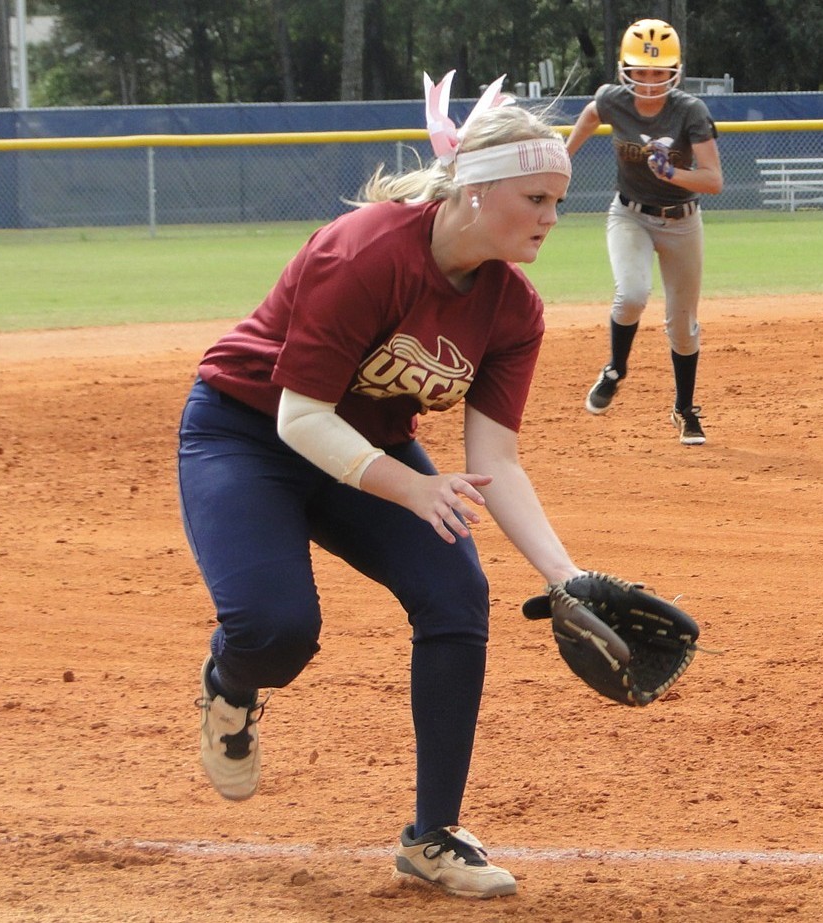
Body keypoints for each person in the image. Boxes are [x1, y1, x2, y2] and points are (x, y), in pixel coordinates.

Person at [177, 71, 583, 900]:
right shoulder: (364, 249)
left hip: (366, 449)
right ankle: (230, 687)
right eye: (536, 198)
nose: (550, 218)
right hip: (248, 434)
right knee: (278, 628)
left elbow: (496, 461)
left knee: (456, 597)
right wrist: (409, 487)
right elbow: (300, 417)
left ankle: (432, 837)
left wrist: (566, 577)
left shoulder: (514, 310)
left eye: (558, 202)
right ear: (474, 191)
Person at [565, 18, 723, 446]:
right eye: (641, 71)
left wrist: (673, 172)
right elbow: (591, 113)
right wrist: (562, 159)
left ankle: (684, 409)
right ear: (625, 70)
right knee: (632, 294)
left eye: (659, 72)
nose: (650, 81)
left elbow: (712, 180)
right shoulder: (613, 100)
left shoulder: (690, 111)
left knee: (683, 325)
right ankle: (615, 369)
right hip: (629, 214)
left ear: (674, 72)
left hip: (681, 222)